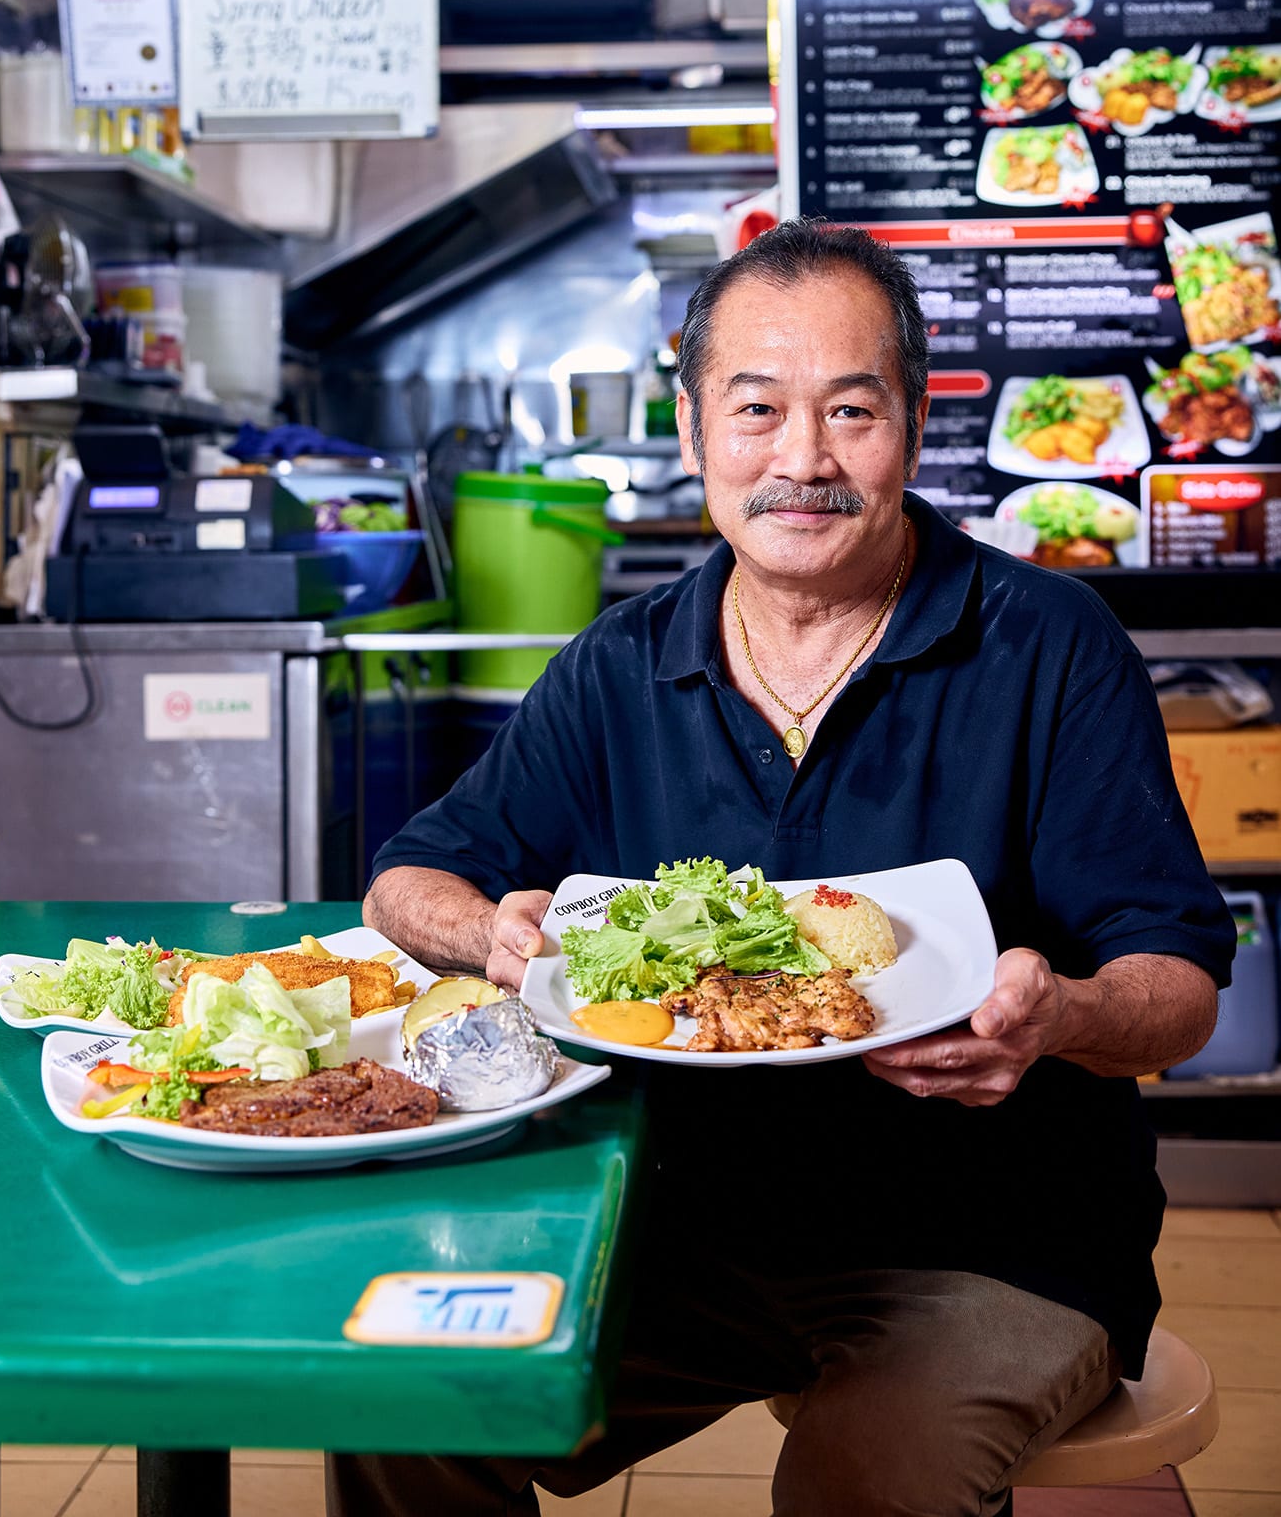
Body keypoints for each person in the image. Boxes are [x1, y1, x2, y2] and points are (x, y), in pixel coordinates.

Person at [333, 221, 1234, 1517]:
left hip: (993, 1244)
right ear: (693, 435)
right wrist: (492, 936)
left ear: (913, 426)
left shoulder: (1045, 644)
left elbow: (1181, 982)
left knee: (866, 1479)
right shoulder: (620, 664)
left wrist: (1063, 1019)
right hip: (674, 1225)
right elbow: (409, 877)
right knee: (399, 1394)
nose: (801, 459)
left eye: (850, 411)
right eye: (755, 410)